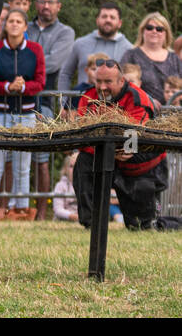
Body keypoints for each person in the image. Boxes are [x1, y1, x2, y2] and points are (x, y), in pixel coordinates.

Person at [71, 59, 167, 229]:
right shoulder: (87, 97)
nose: (102, 87)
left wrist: (112, 150)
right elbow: (83, 136)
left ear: (121, 81)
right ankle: (91, 224)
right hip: (108, 153)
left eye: (108, 82)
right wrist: (109, 151)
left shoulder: (138, 99)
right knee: (84, 161)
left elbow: (133, 139)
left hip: (141, 161)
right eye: (98, 81)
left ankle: (150, 221)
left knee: (139, 226)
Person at [0, 8, 45, 221]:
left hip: (25, 115)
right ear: (6, 25)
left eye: (19, 21)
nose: (14, 24)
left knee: (22, 166)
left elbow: (40, 81)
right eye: (11, 21)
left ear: (26, 27)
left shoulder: (35, 50)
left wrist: (24, 87)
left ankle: (21, 209)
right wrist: (8, 87)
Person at [26, 0, 75, 219]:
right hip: (14, 99)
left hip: (43, 101)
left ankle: (42, 213)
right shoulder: (25, 26)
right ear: (36, 4)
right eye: (42, 2)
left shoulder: (66, 33)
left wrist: (22, 63)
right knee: (9, 158)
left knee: (41, 159)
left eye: (50, 2)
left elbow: (54, 64)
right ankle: (12, 209)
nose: (46, 6)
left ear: (59, 6)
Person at [57, 1, 132, 96]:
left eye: (112, 17)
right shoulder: (80, 43)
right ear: (97, 20)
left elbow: (131, 80)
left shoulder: (129, 49)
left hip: (114, 106)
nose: (108, 20)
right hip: (81, 103)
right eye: (104, 16)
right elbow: (65, 74)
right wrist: (63, 102)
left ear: (120, 23)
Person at [121, 13, 182, 105]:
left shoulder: (174, 58)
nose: (154, 31)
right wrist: (148, 101)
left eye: (159, 29)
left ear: (166, 33)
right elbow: (121, 85)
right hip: (141, 111)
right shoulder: (131, 55)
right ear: (142, 31)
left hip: (173, 113)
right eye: (149, 28)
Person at [52, 154, 78, 222]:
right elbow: (58, 209)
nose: (75, 169)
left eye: (78, 166)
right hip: (63, 219)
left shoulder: (87, 186)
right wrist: (72, 216)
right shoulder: (60, 186)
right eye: (71, 166)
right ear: (65, 169)